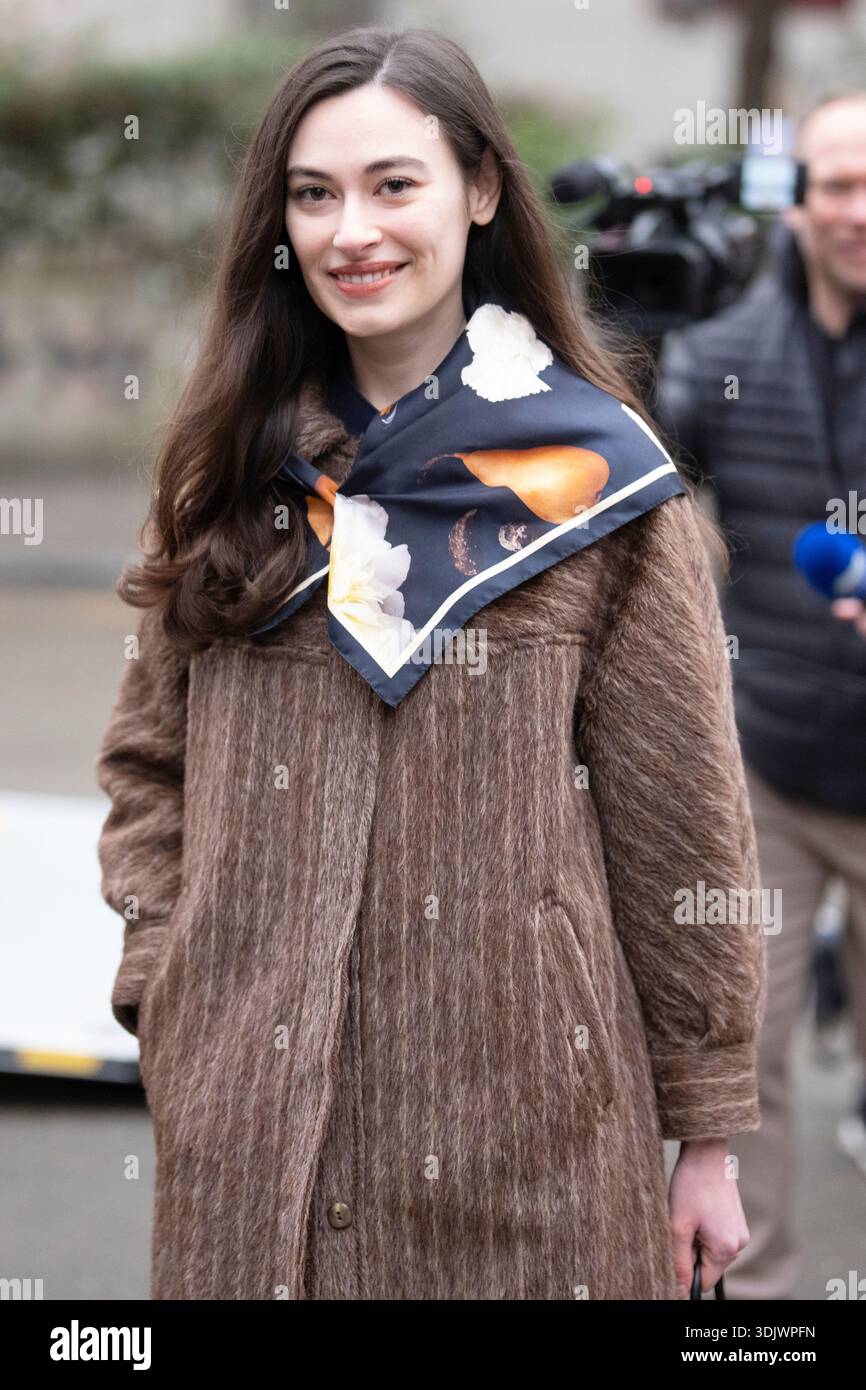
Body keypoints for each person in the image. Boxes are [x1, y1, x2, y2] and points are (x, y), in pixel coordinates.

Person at [95, 24, 767, 1301]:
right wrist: (171, 988)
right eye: (313, 193)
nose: (353, 229)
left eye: (393, 183)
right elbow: (146, 764)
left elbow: (684, 829)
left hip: (525, 1137)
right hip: (249, 1130)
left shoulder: (601, 485)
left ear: (479, 189)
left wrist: (708, 1130)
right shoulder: (228, 473)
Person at [656, 91, 866, 1300]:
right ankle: (763, 1308)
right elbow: (629, 500)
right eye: (836, 183)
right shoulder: (718, 354)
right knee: (744, 1064)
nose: (857, 211)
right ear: (793, 201)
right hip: (763, 768)